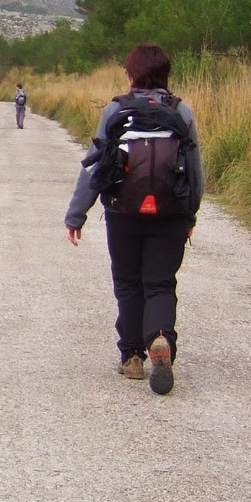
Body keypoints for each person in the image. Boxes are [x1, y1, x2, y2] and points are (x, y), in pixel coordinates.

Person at [63, 43, 204, 394]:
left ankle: (132, 357)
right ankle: (160, 337)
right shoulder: (181, 111)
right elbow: (195, 171)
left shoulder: (116, 109)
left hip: (122, 213)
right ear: (166, 76)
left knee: (128, 283)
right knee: (160, 283)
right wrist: (190, 213)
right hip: (170, 214)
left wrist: (76, 215)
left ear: (131, 76)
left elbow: (95, 166)